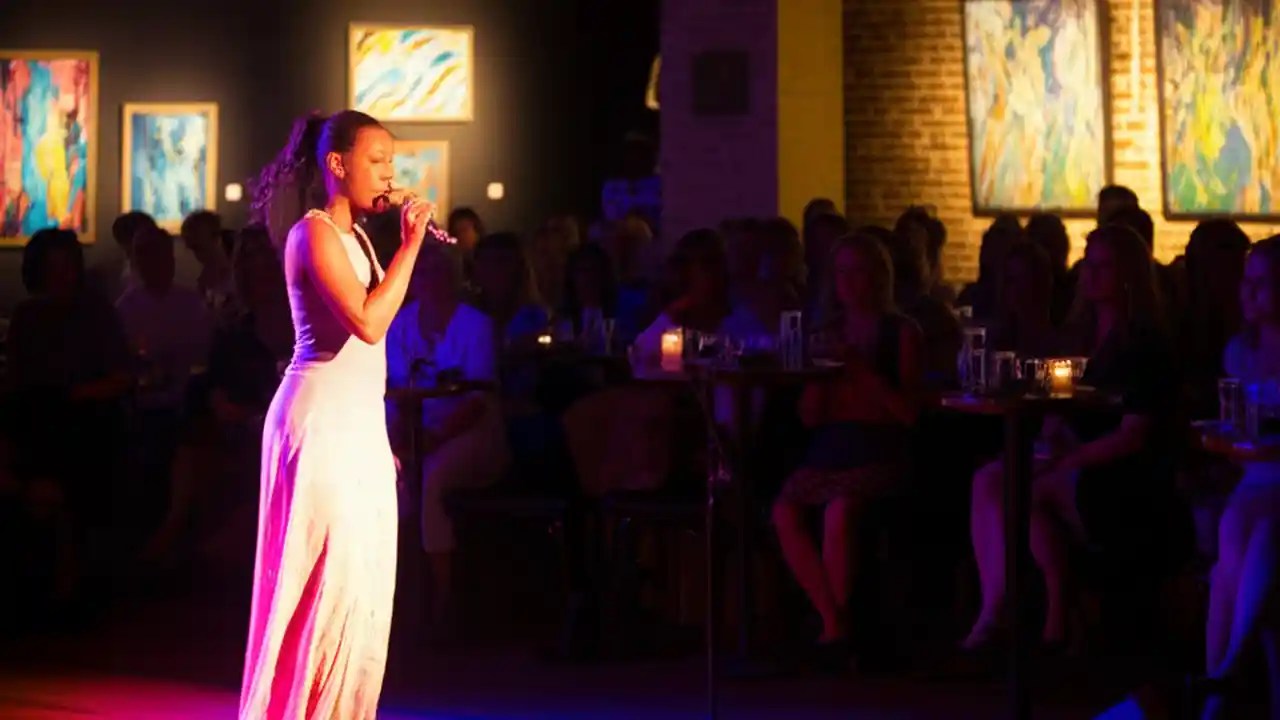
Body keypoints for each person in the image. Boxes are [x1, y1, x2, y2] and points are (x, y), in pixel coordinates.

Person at [239, 110, 434, 720]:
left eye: (391, 164)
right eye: (376, 161)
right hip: (317, 427)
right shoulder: (313, 233)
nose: (388, 174)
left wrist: (380, 443)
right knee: (324, 591)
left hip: (355, 431)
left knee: (362, 592)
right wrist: (412, 245)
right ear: (338, 165)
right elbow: (370, 323)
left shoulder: (359, 238)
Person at [964, 224, 1184, 652]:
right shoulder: (1080, 332)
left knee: (1018, 490)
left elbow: (1133, 436)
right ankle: (1001, 607)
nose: (1091, 274)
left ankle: (1044, 609)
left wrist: (1070, 459)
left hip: (1121, 474)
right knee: (987, 479)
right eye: (1089, 263)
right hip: (1080, 458)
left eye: (1103, 266)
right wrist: (1056, 435)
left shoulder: (1144, 342)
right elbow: (1066, 404)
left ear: (1128, 274)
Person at [772, 231, 924, 665]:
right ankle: (834, 622)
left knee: (841, 510)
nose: (849, 281)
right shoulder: (826, 334)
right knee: (785, 511)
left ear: (879, 276)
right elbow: (808, 417)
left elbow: (908, 414)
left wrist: (862, 373)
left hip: (880, 448)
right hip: (830, 445)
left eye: (858, 271)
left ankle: (833, 632)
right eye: (841, 272)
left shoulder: (902, 333)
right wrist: (819, 380)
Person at [386, 245, 507, 629]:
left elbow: (478, 398)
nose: (428, 280)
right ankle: (397, 592)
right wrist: (404, 439)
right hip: (415, 430)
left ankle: (443, 598)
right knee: (389, 475)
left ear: (455, 277)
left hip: (471, 433)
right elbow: (396, 390)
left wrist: (436, 438)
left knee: (434, 477)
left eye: (437, 271)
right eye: (421, 272)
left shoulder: (476, 326)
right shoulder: (400, 325)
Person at [1201, 237, 1280, 719]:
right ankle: (1223, 679)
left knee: (1262, 533)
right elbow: (1237, 437)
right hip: (1256, 480)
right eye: (1245, 283)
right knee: (1238, 531)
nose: (1246, 294)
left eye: (1261, 284)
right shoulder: (1239, 352)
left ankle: (1220, 679)